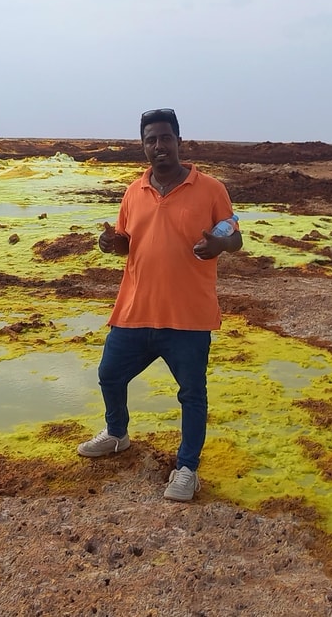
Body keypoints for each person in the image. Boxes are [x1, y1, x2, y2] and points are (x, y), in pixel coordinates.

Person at [77, 108, 243, 502]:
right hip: (135, 310)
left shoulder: (211, 189)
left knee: (191, 394)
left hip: (188, 317)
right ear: (143, 146)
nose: (158, 146)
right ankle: (117, 434)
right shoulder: (134, 191)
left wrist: (220, 243)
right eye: (150, 140)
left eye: (165, 138)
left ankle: (187, 469)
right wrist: (110, 244)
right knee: (110, 375)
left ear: (179, 142)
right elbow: (125, 241)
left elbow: (235, 238)